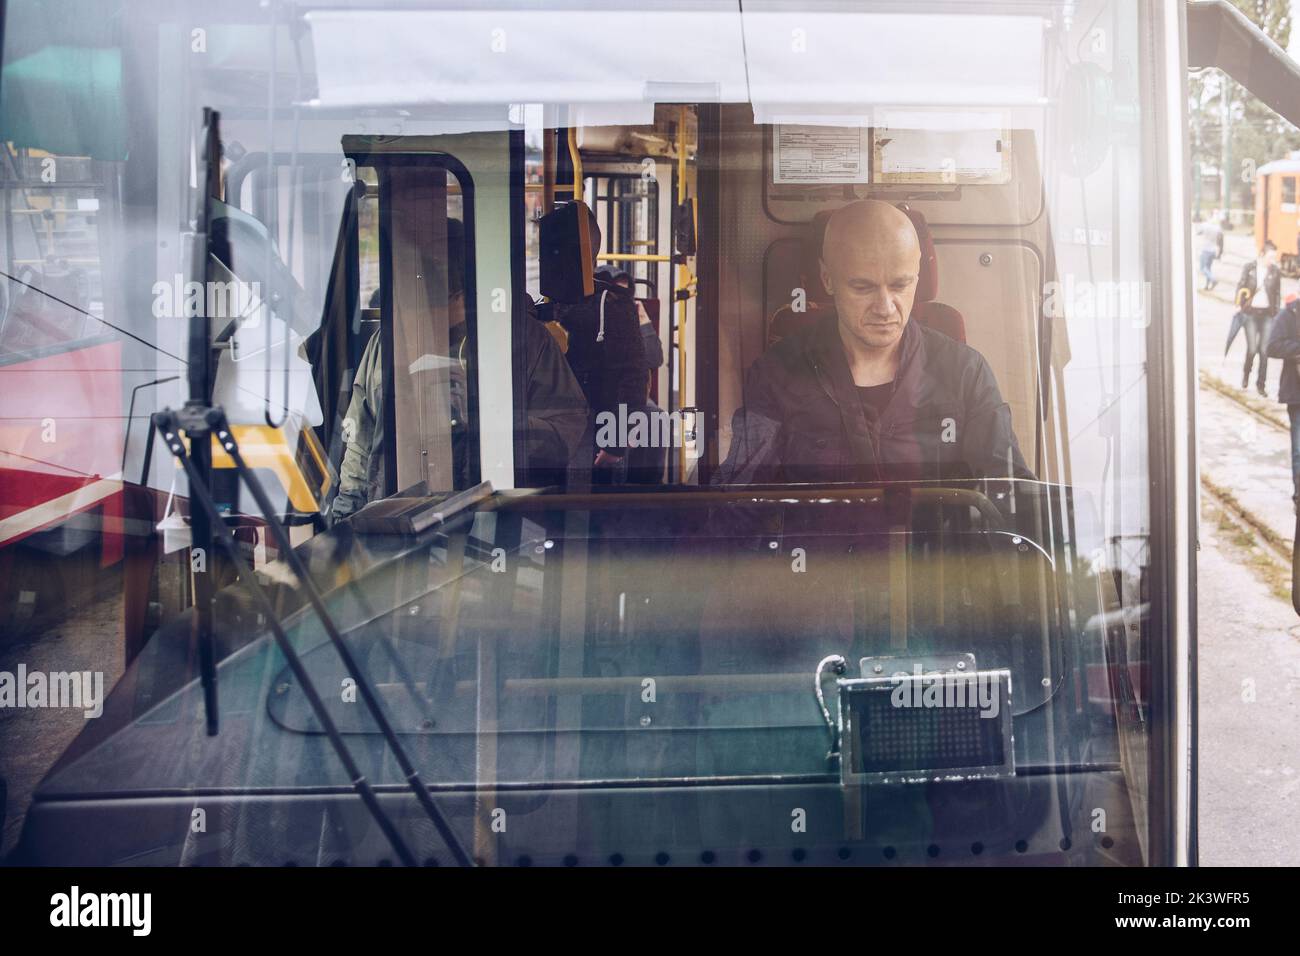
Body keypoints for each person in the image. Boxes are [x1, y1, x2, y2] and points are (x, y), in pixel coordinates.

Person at [714, 200, 1030, 486]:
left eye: (900, 285)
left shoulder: (965, 374)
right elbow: (742, 497)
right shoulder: (777, 374)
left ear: (917, 277)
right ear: (827, 279)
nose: (885, 307)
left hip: (932, 551)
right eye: (863, 288)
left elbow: (1013, 494)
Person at [331, 223, 587, 520]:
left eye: (445, 295)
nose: (428, 309)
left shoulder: (523, 340)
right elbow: (360, 441)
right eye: (424, 292)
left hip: (491, 513)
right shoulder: (387, 343)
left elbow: (566, 432)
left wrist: (487, 417)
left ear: (468, 292)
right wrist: (346, 513)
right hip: (398, 511)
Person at [551, 209, 648, 485]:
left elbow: (633, 375)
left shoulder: (612, 304)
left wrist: (615, 443)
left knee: (591, 517)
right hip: (561, 426)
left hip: (596, 431)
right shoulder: (554, 300)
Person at [596, 266, 668, 484]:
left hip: (633, 395)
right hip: (604, 393)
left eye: (625, 294)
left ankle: (647, 489)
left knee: (655, 417)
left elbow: (655, 359)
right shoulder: (596, 319)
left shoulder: (634, 316)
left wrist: (644, 322)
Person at [1226, 239, 1281, 396]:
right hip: (1250, 314)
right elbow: (1241, 285)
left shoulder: (1275, 271)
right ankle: (1246, 375)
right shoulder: (1249, 267)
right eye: (1270, 257)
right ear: (1262, 255)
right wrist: (1237, 304)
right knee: (1252, 349)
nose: (1273, 261)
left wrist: (1276, 313)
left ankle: (1261, 385)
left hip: (1267, 315)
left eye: (1274, 257)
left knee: (1264, 350)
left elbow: (1277, 294)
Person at [1264, 294, 1300, 511]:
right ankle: (1299, 496)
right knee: (1299, 451)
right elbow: (1272, 346)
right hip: (1297, 394)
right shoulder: (1289, 314)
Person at [1195, 215, 1222, 291]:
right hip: (1213, 250)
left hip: (1205, 249)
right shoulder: (1217, 228)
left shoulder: (1204, 225)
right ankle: (1207, 286)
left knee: (1203, 268)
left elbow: (1197, 232)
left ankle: (1213, 280)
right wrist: (1220, 252)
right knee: (1208, 269)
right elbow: (1220, 239)